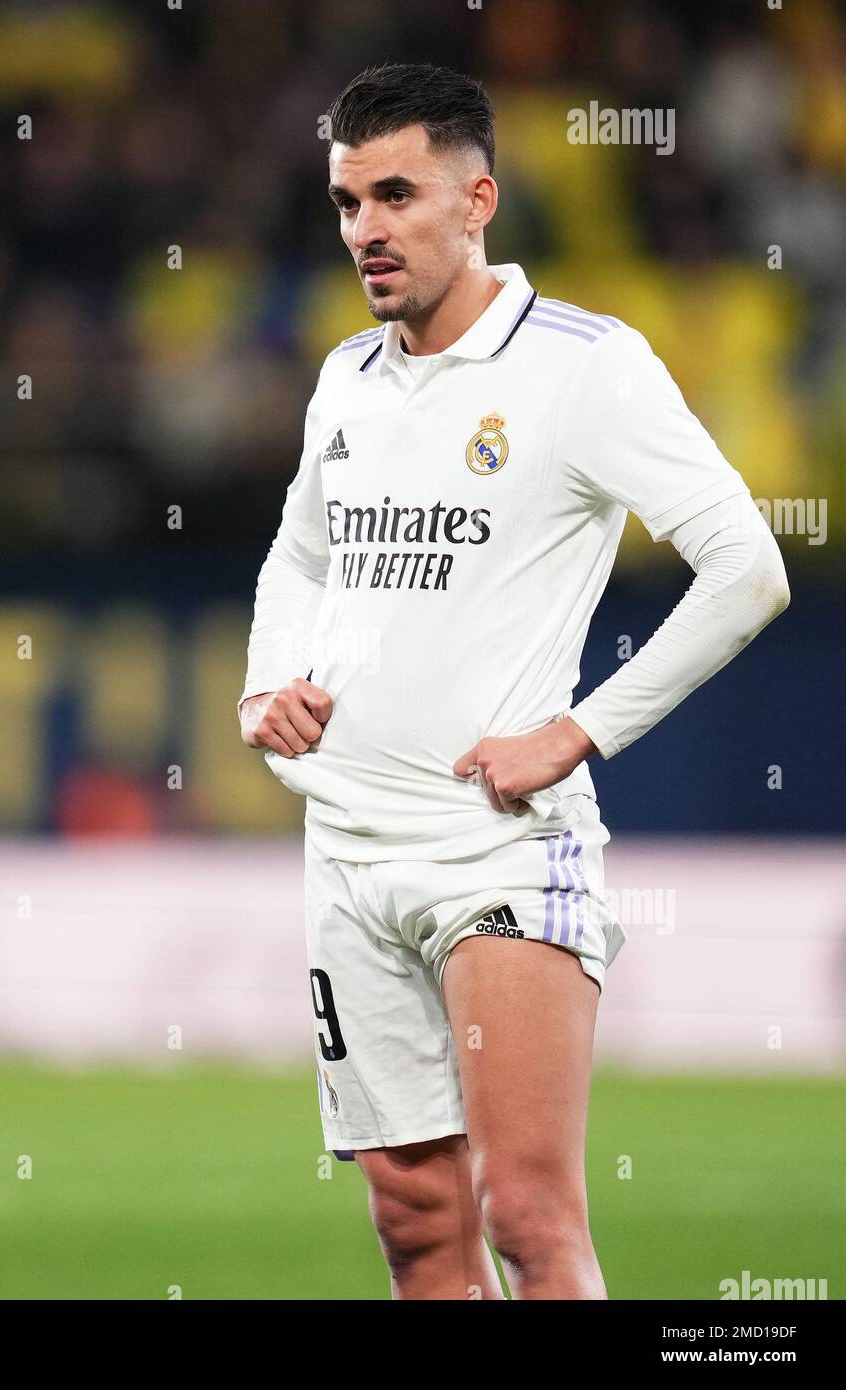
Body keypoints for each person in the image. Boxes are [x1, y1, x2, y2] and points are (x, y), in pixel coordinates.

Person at [237, 63, 789, 1300]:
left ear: (476, 198)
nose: (364, 230)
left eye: (394, 194)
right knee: (415, 1224)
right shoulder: (347, 379)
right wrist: (261, 689)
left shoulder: (583, 365)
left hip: (497, 848)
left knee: (525, 1215)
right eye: (344, 203)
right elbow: (299, 553)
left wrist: (577, 732)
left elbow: (744, 569)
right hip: (346, 850)